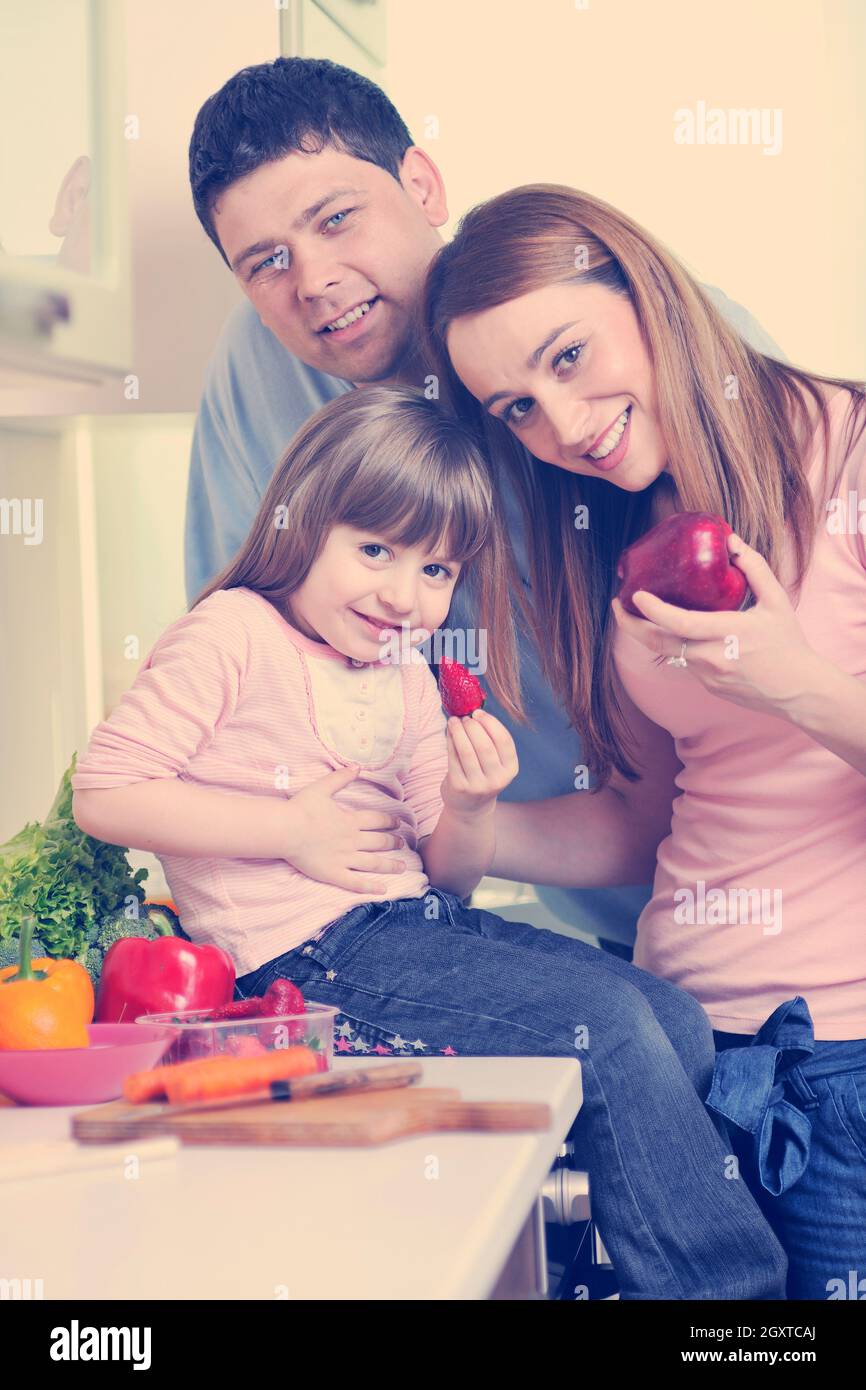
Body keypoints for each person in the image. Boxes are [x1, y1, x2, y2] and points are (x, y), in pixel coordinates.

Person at [71, 384, 787, 1300]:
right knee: (608, 1029)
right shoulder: (233, 634)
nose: (403, 594)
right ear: (302, 522)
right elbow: (107, 790)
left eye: (437, 571)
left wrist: (472, 802)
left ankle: (603, 1260)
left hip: (413, 930)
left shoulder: (405, 677)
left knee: (678, 1021)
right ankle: (732, 1310)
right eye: (374, 549)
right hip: (302, 962)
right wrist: (291, 828)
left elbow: (446, 881)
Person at [184, 54, 786, 954]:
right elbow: (243, 667)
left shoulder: (613, 322)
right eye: (266, 263)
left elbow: (805, 638)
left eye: (338, 218)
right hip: (613, 920)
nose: (312, 281)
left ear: (421, 184)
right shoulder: (260, 368)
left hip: (799, 893)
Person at [421, 182, 866, 1299]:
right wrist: (459, 819)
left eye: (566, 357)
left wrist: (796, 685)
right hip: (677, 1058)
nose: (561, 426)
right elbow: (637, 821)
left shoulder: (850, 447)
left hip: (841, 1058)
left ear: (646, 289)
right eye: (514, 407)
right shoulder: (611, 536)